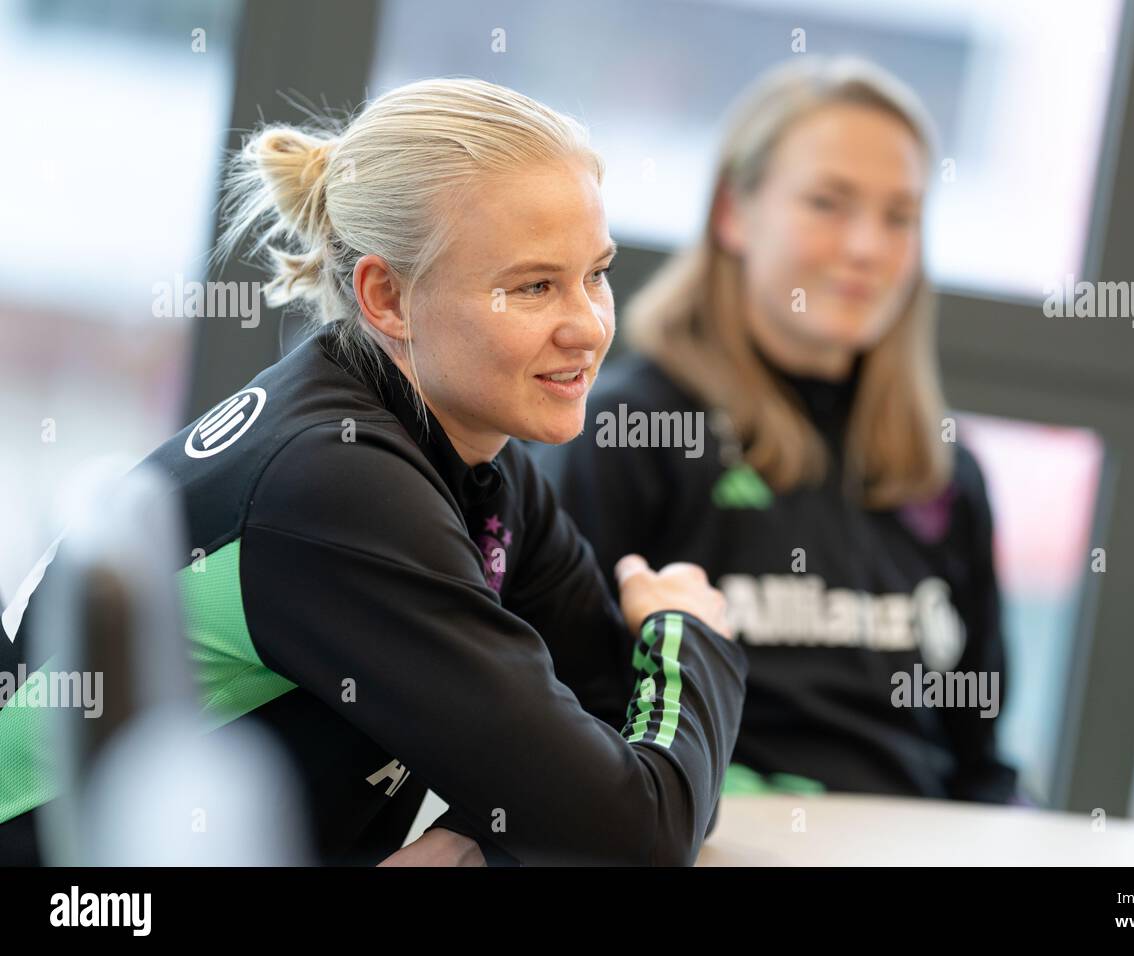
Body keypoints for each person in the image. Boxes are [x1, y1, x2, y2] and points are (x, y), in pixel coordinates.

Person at [0, 78, 746, 866]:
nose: (589, 327)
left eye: (595, 273)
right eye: (533, 286)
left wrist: (474, 839)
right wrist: (688, 636)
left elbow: (618, 759)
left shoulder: (471, 454)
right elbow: (641, 835)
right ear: (387, 296)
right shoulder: (335, 484)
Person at [540, 56, 1017, 803]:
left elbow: (980, 759)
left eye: (900, 216)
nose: (867, 247)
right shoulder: (629, 431)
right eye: (829, 202)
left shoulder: (945, 470)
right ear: (734, 213)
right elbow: (571, 724)